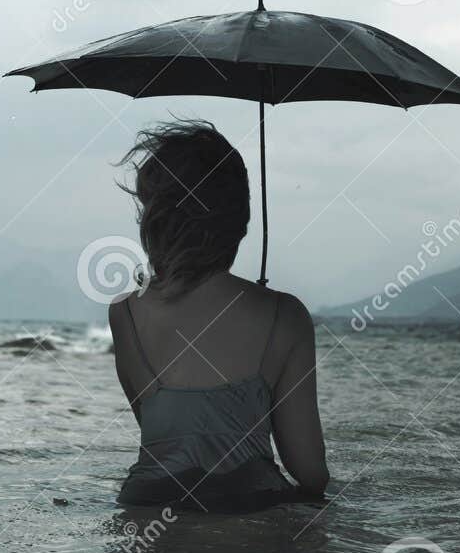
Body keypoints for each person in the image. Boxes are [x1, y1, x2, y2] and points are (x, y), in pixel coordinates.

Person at [108, 120, 328, 512]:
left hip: (146, 504)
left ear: (156, 221)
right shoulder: (286, 315)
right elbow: (310, 472)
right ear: (239, 221)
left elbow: (175, 444)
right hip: (248, 504)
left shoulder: (124, 312)